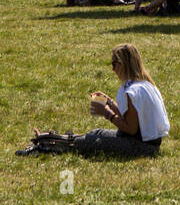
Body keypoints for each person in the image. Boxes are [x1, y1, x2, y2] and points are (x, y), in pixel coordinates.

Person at [20, 44, 170, 157]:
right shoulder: (144, 85)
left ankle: (47, 145)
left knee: (92, 142)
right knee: (96, 133)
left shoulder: (132, 91)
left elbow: (130, 129)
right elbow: (132, 119)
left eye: (114, 64)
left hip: (142, 147)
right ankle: (53, 139)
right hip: (146, 143)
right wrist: (110, 102)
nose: (112, 69)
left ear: (122, 64)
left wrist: (107, 114)